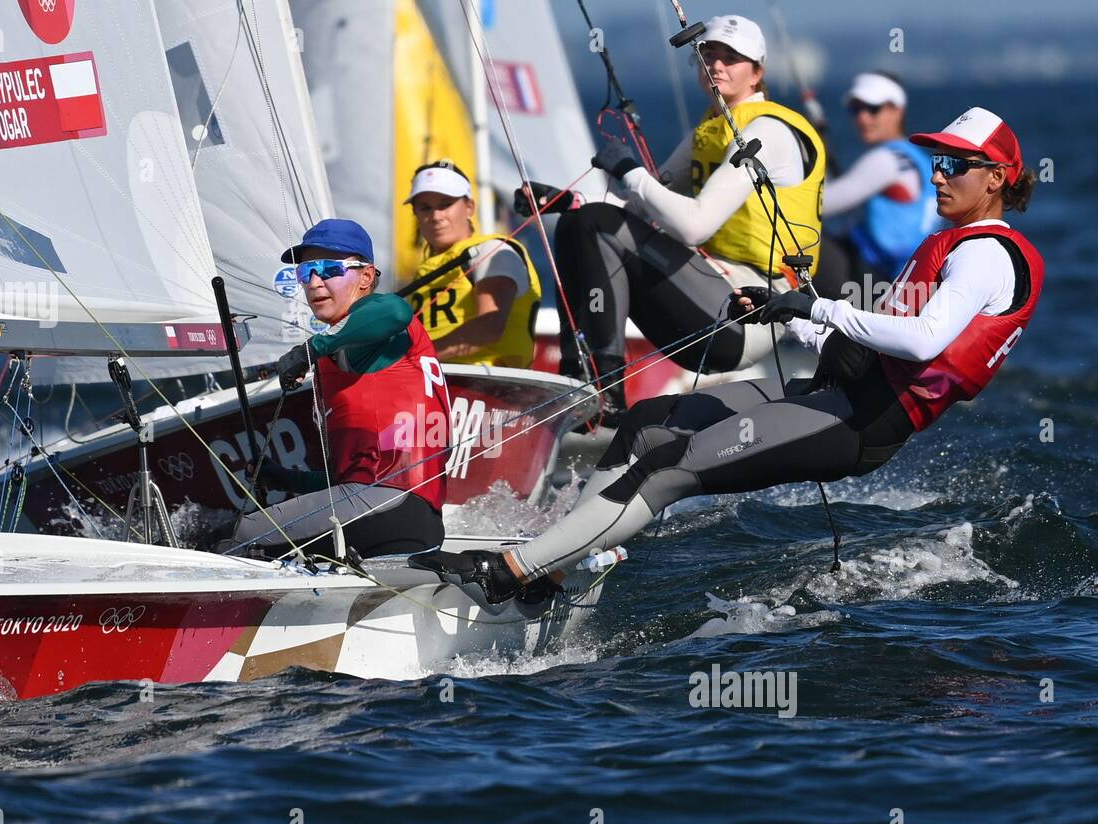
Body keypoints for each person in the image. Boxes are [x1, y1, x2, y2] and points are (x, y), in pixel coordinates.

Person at [413, 107, 1043, 605]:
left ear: (996, 179)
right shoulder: (956, 241)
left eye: (957, 164)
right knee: (647, 423)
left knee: (667, 467)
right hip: (833, 390)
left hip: (864, 420)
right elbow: (868, 337)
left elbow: (923, 341)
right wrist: (784, 311)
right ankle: (548, 577)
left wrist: (813, 308)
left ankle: (513, 572)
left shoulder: (985, 253)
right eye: (937, 159)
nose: (937, 172)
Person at [519, 14, 825, 421]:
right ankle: (581, 378)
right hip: (707, 297)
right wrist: (567, 200)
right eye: (708, 55)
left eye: (731, 58)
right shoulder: (712, 128)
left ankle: (607, 395)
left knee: (594, 223)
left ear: (757, 74)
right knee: (580, 222)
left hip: (749, 313)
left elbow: (692, 225)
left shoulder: (767, 133)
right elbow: (648, 203)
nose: (716, 65)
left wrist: (629, 170)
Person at [208, 218, 452, 560]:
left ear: (366, 277)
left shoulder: (373, 326)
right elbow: (348, 482)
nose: (314, 281)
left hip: (389, 507)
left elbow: (395, 310)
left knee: (227, 540)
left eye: (328, 268)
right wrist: (285, 479)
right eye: (305, 271)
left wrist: (308, 350)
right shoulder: (349, 343)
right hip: (403, 519)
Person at [402, 160, 542, 367]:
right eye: (425, 208)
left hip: (491, 386)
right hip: (434, 381)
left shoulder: (492, 250)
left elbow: (490, 327)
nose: (436, 216)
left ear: (469, 207)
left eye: (445, 204)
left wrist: (412, 358)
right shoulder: (421, 274)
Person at [814, 71, 939, 300]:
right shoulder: (919, 160)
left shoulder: (887, 161)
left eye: (873, 109)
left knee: (791, 231)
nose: (862, 118)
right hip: (903, 287)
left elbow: (818, 205)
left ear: (897, 111)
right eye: (856, 109)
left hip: (873, 282)